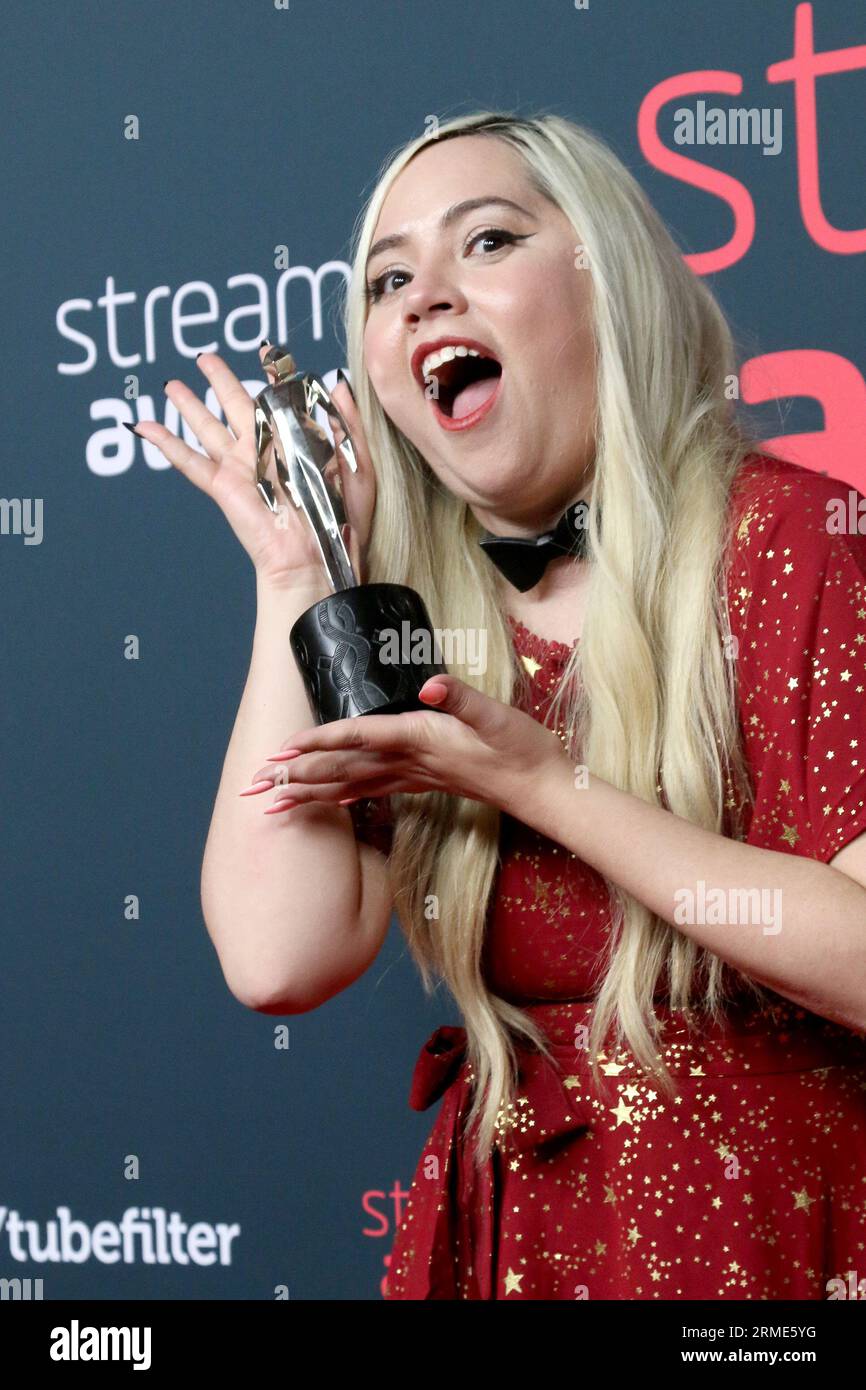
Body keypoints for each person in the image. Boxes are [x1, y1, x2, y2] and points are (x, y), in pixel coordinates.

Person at [132, 111, 866, 1301]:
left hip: (775, 1249)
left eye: (484, 242)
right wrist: (299, 580)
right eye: (385, 278)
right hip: (519, 1243)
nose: (421, 296)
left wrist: (536, 781)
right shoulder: (417, 615)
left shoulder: (793, 540)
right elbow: (278, 957)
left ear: (605, 283)